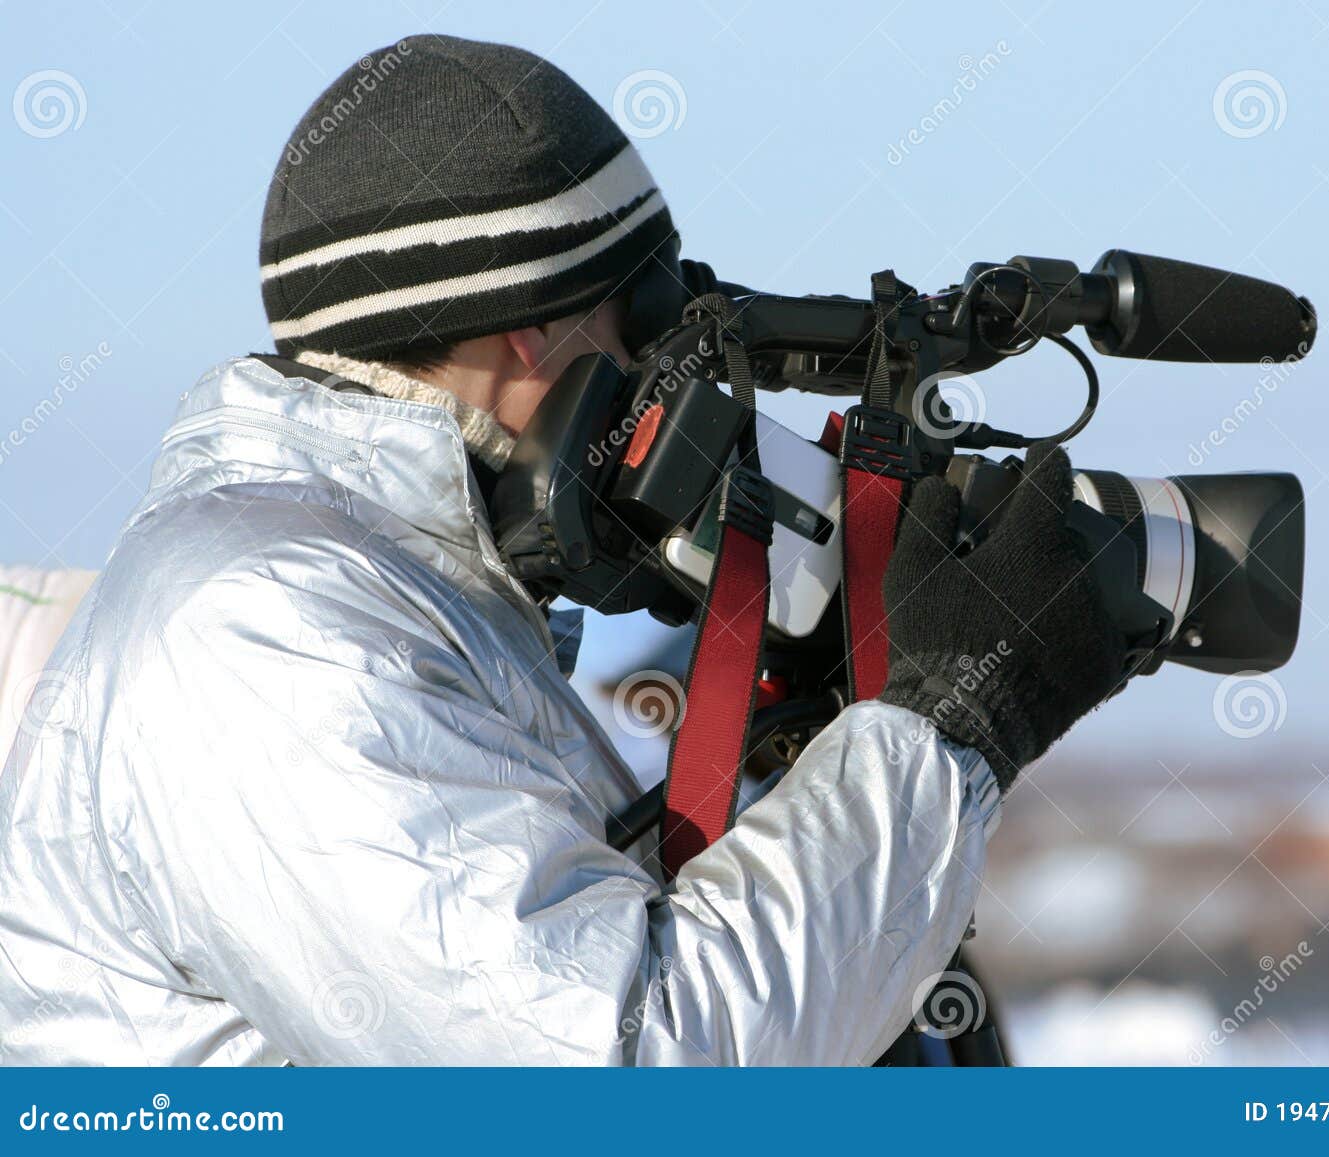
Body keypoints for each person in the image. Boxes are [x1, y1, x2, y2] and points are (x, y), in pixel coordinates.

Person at [0, 35, 1124, 1065]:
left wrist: (826, 745)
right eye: (643, 319)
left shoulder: (403, 603)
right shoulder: (265, 630)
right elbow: (627, 1068)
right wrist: (951, 724)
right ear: (526, 328)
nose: (660, 372)